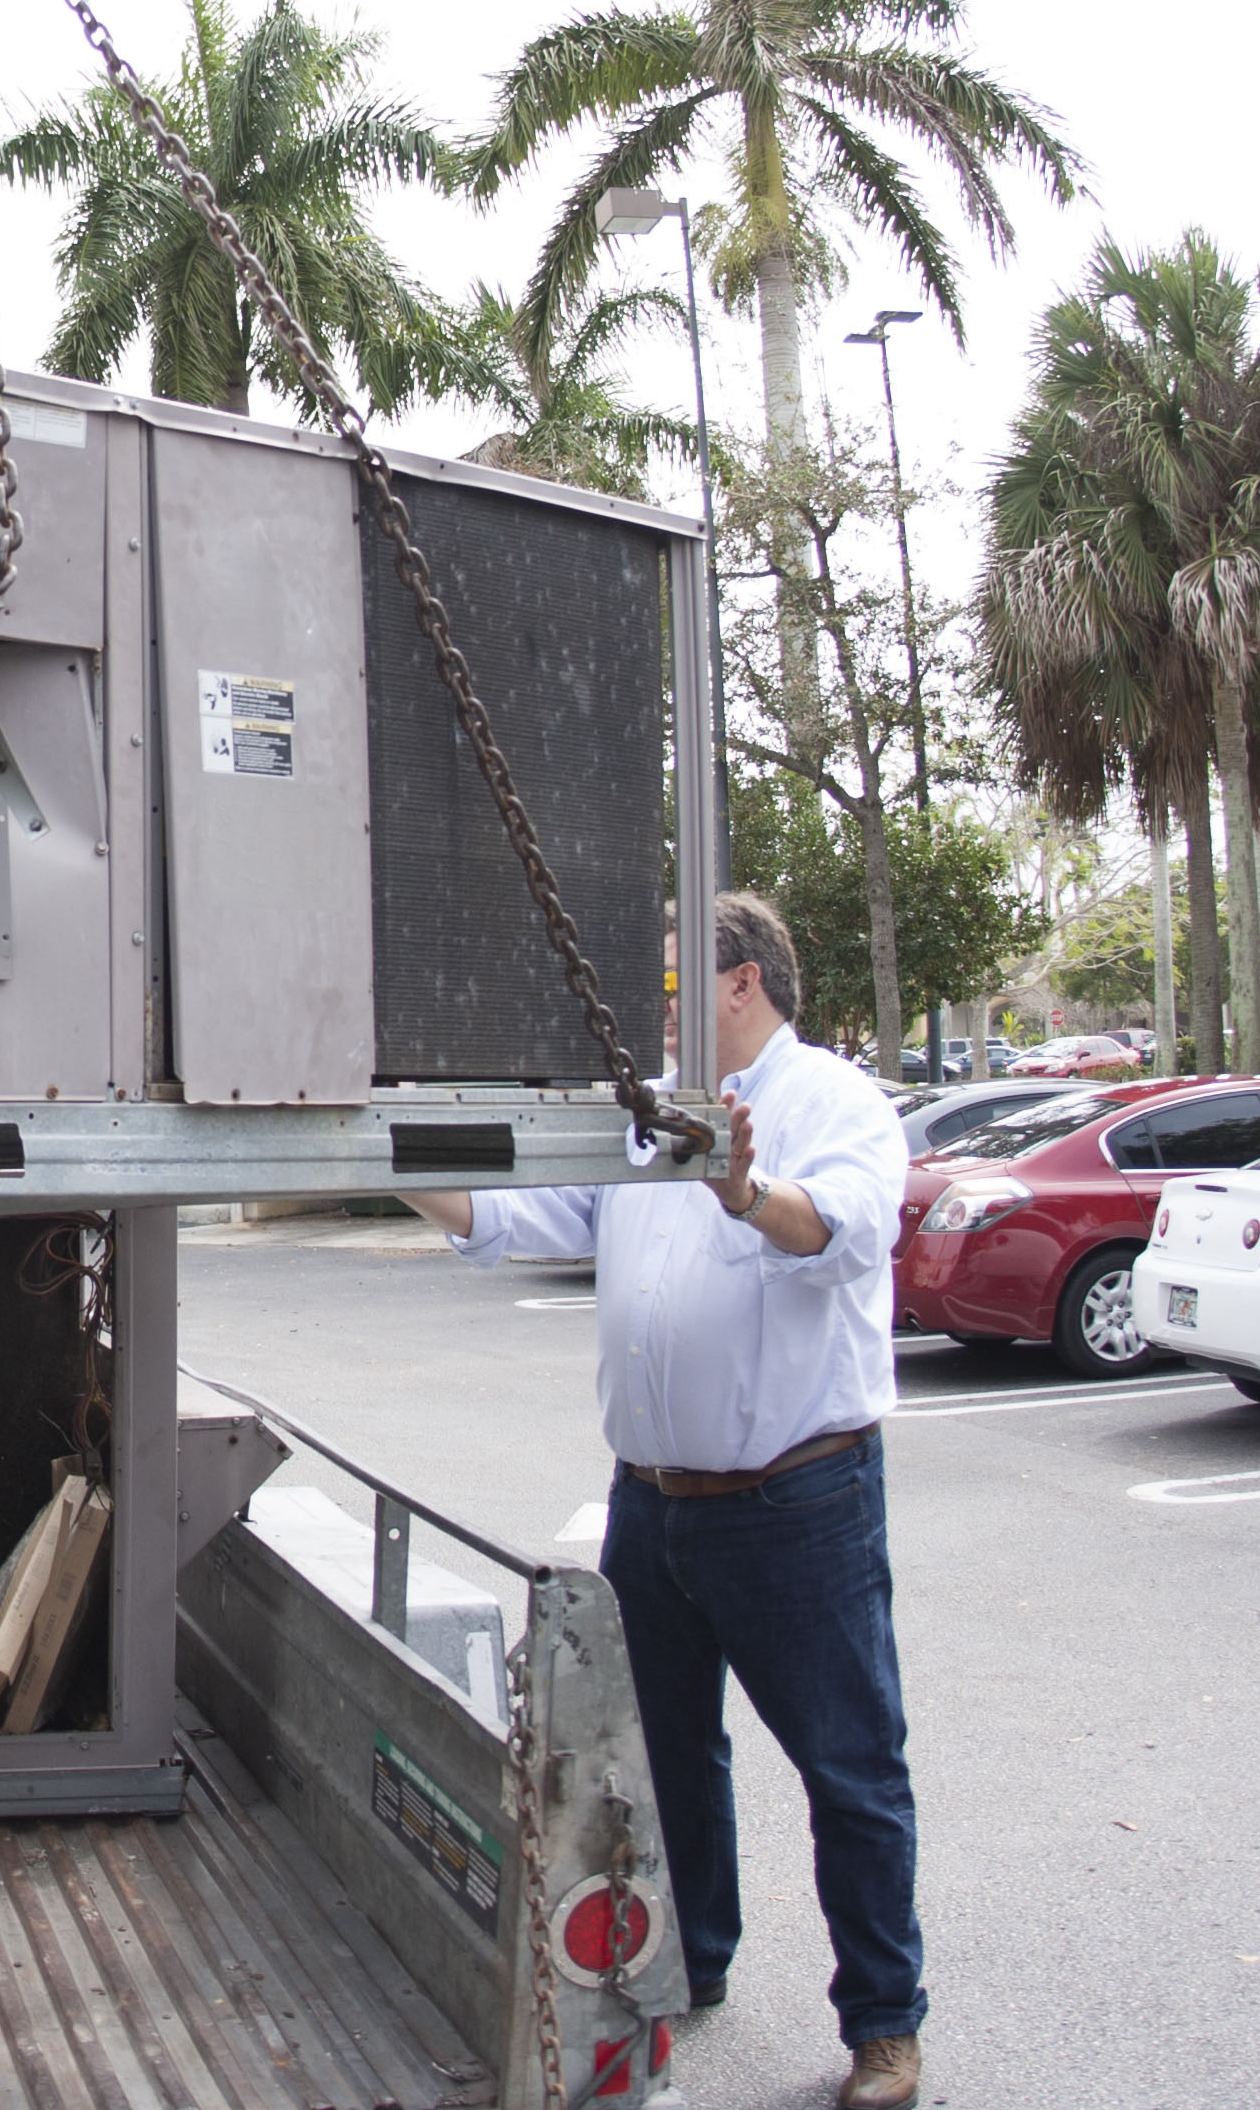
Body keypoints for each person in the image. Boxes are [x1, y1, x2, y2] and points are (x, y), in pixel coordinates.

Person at [402, 891, 925, 2110]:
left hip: (797, 1502)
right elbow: (530, 1216)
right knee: (666, 1762)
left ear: (742, 984)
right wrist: (395, 1159)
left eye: (673, 982)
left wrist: (743, 1191)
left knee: (850, 1769)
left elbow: (844, 1234)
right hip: (653, 1505)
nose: (649, 1009)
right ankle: (699, 1962)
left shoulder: (835, 1105)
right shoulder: (639, 1118)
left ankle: (885, 2026)